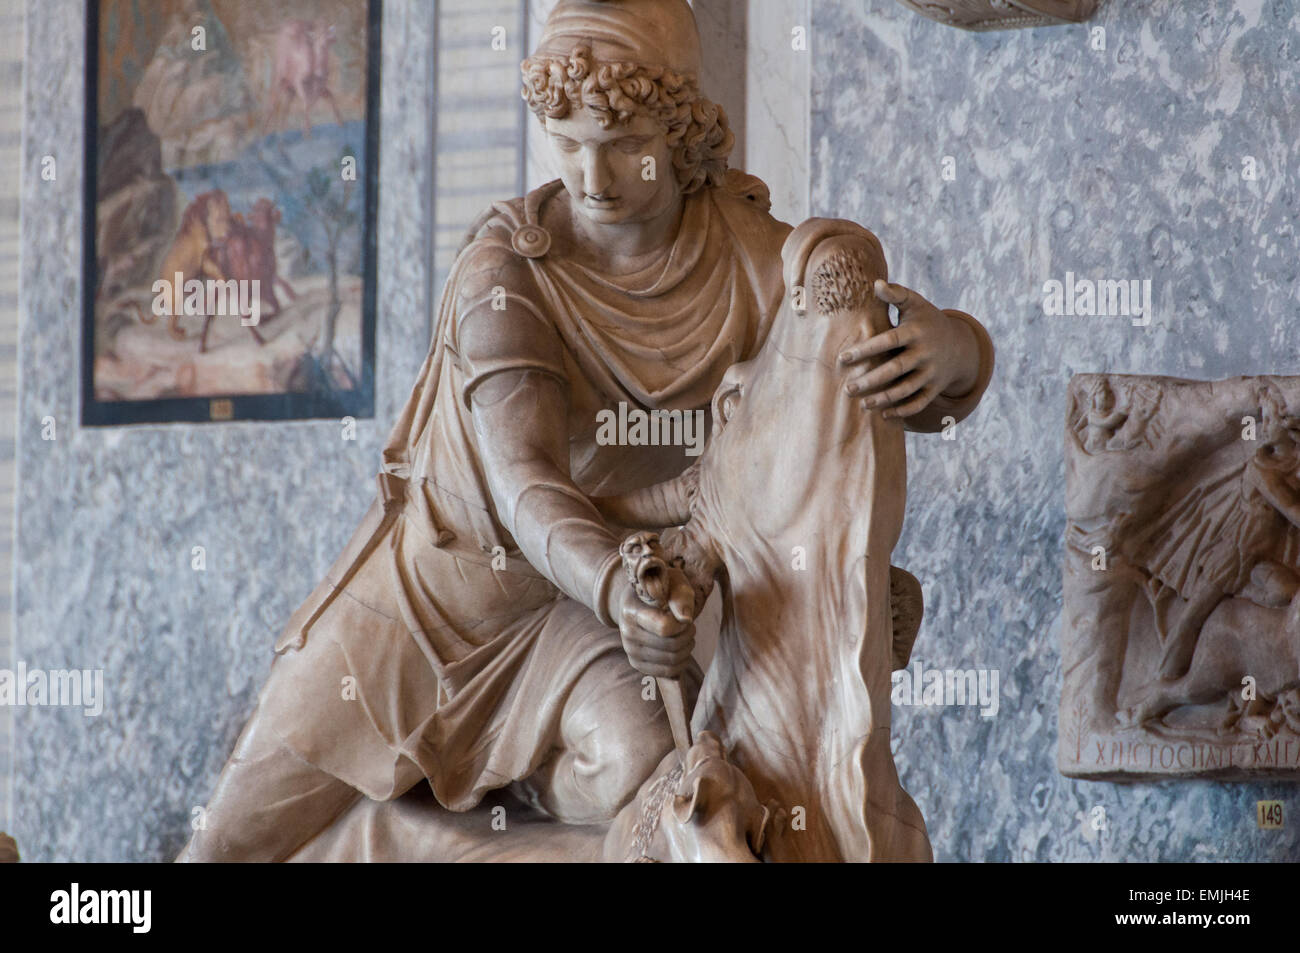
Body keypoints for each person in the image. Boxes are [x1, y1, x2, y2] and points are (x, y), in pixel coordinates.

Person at [179, 0, 993, 862]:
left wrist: (959, 351)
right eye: (566, 142)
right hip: (431, 601)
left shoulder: (745, 258)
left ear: (679, 131)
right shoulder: (509, 271)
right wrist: (615, 584)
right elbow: (526, 483)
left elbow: (853, 355)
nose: (592, 174)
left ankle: (442, 823)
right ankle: (382, 828)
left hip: (582, 618)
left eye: (621, 141)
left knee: (649, 766)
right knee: (227, 844)